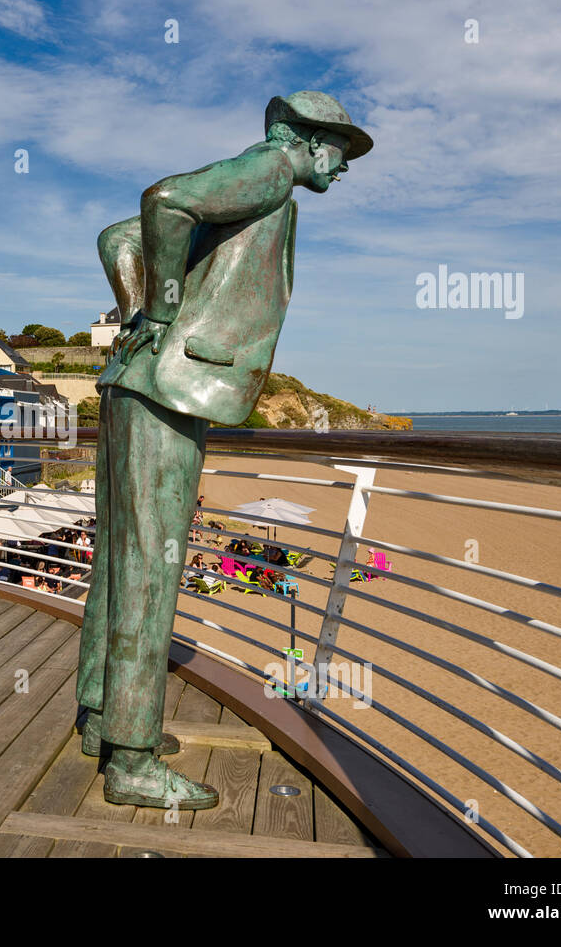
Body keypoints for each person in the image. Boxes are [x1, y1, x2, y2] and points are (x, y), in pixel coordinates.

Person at [77, 91, 372, 810]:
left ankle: (104, 721)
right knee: (151, 565)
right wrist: (166, 310)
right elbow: (166, 199)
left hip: (133, 386)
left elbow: (121, 236)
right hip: (169, 391)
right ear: (304, 140)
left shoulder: (256, 189)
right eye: (341, 149)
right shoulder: (270, 171)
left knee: (120, 557)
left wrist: (140, 312)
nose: (345, 166)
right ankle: (134, 760)